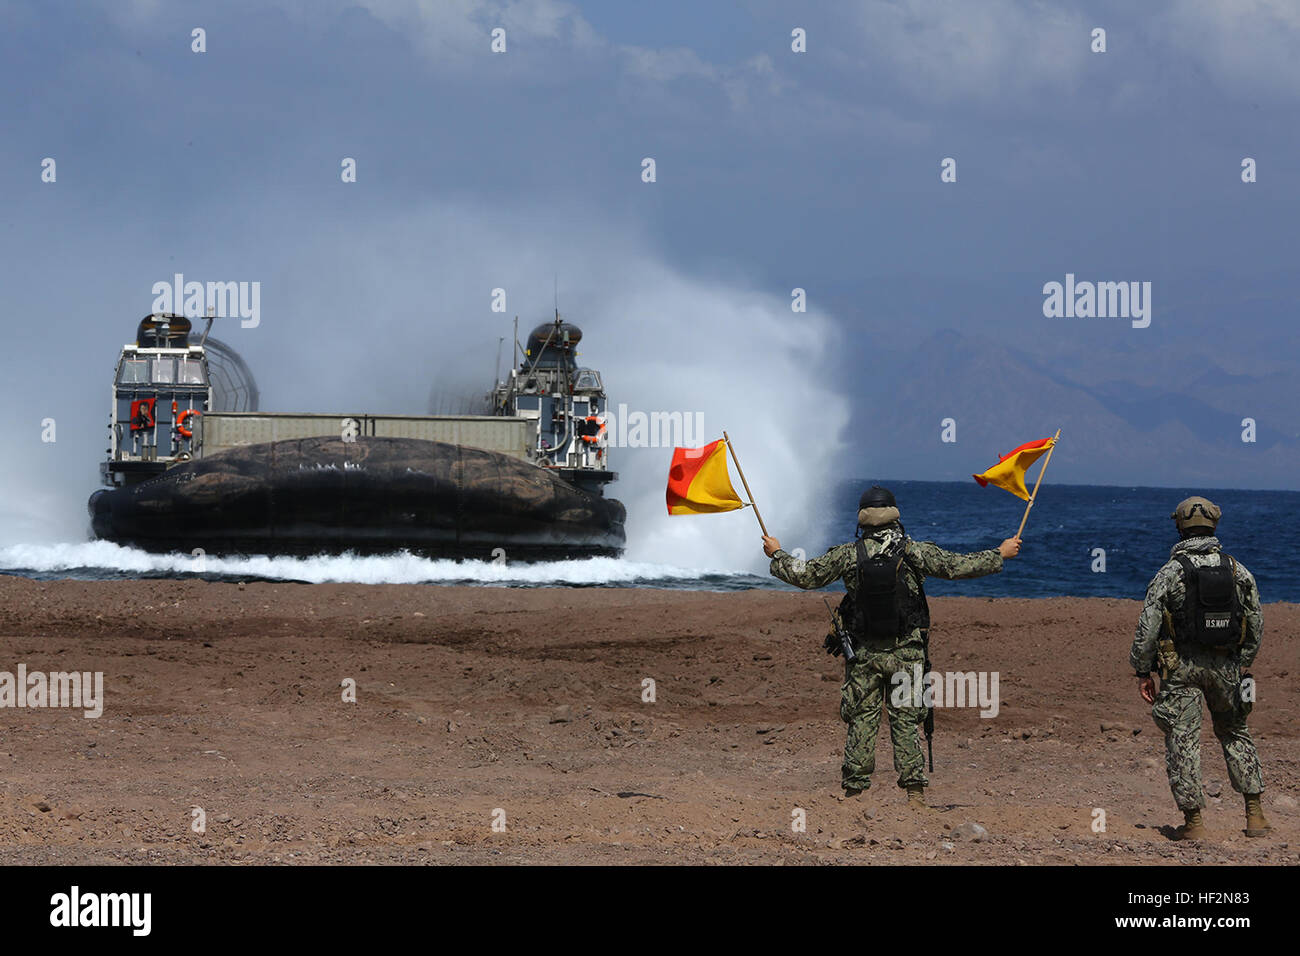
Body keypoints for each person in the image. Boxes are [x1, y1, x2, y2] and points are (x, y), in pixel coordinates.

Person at [762, 486, 1020, 806]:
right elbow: (957, 566)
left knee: (862, 718)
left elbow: (806, 575)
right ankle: (914, 795)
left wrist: (777, 553)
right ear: (894, 516)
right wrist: (999, 554)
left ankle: (854, 792)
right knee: (907, 720)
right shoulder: (914, 551)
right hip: (906, 652)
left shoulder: (847, 554)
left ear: (863, 519)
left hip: (863, 654)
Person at [1129, 496, 1268, 840]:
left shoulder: (1171, 572)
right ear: (1214, 525)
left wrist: (1142, 670)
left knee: (1183, 740)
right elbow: (1256, 620)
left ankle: (1194, 824)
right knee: (1235, 732)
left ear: (1179, 526)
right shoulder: (1237, 570)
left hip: (1181, 669)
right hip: (1227, 668)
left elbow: (1147, 625)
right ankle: (1255, 816)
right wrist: (1244, 661)